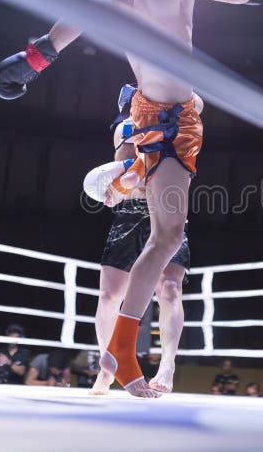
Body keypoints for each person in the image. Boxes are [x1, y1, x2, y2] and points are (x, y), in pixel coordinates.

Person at [0, 0, 263, 398]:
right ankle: (122, 347)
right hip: (176, 117)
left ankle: (121, 346)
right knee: (168, 237)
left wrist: (32, 62)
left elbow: (70, 26)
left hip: (144, 111)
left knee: (165, 238)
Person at [84, 84, 203, 396]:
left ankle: (167, 365)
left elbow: (197, 107)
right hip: (131, 210)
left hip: (166, 209)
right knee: (109, 294)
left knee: (171, 288)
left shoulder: (183, 116)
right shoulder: (125, 128)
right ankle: (107, 366)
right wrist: (119, 186)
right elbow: (131, 164)